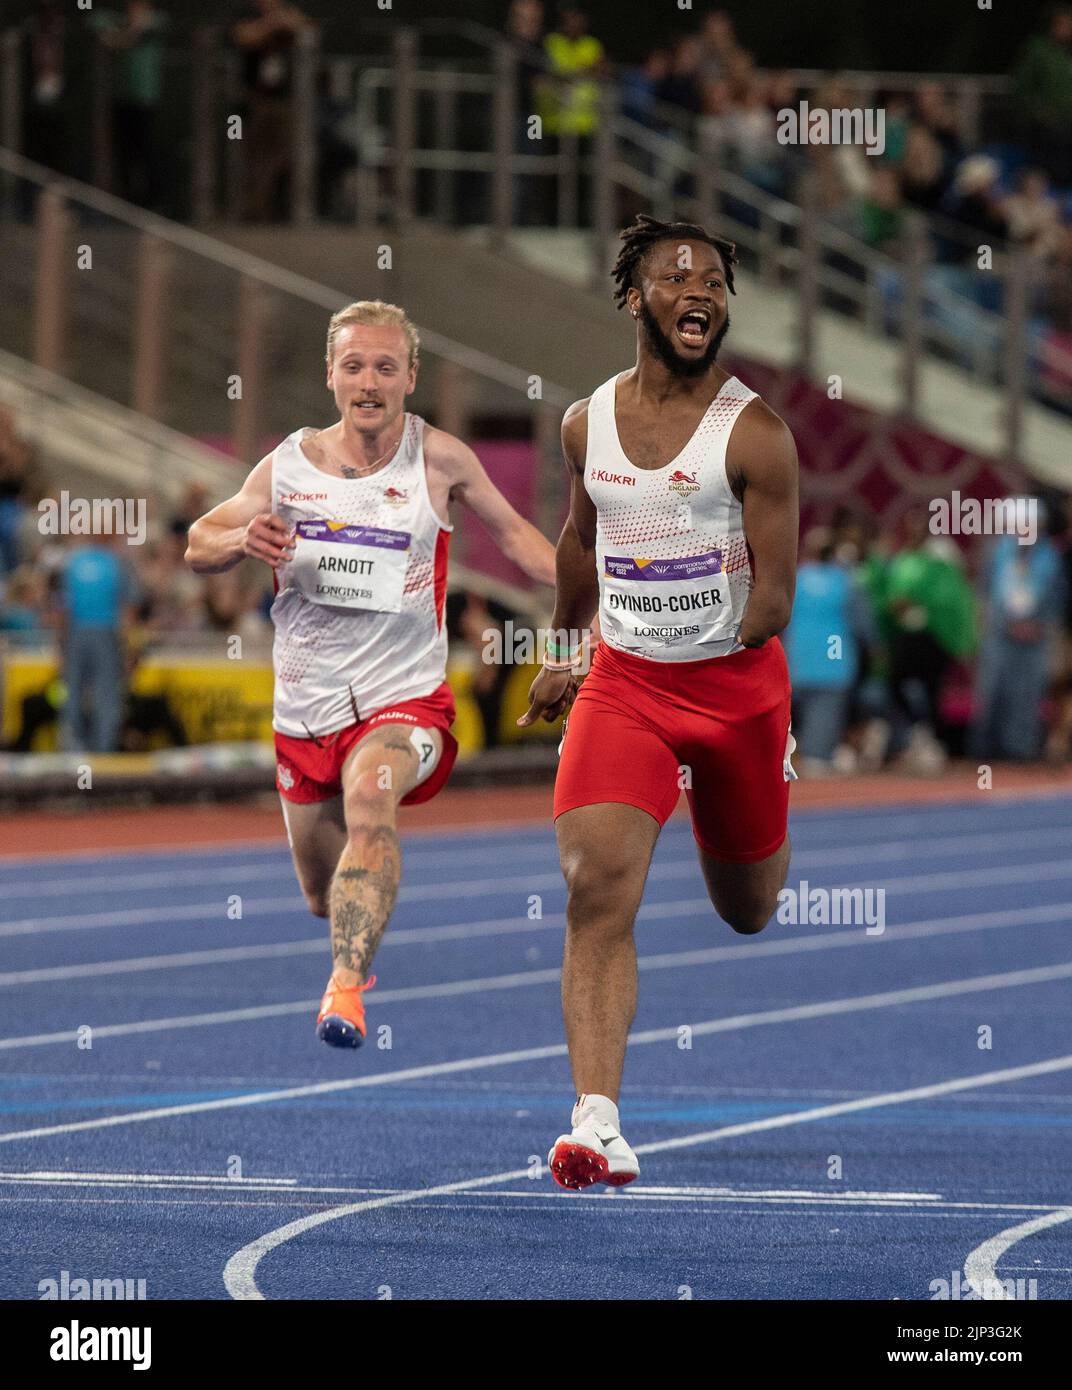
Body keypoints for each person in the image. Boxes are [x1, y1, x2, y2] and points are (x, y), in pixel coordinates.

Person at [185, 300, 556, 1048]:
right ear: (331, 376)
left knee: (370, 798)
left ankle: (346, 992)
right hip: (306, 716)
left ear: (410, 377)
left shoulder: (439, 459)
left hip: (405, 703)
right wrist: (240, 540)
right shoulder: (286, 464)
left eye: (386, 367)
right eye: (354, 366)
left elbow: (518, 540)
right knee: (325, 897)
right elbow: (199, 540)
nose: (369, 382)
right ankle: (348, 947)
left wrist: (604, 608)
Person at [520, 216, 799, 1189]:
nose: (701, 292)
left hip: (734, 695)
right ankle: (596, 1124)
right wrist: (567, 649)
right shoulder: (583, 422)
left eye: (716, 281)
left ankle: (765, 794)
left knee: (749, 909)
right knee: (595, 885)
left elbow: (773, 603)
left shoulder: (755, 434)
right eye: (677, 276)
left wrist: (689, 612)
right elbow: (573, 539)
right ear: (632, 295)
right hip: (626, 686)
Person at [231, 0, 315, 222]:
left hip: (283, 100)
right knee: (253, 156)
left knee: (285, 153)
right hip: (255, 98)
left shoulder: (288, 12)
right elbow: (243, 36)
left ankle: (278, 208)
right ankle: (254, 210)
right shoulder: (247, 15)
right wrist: (270, 25)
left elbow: (307, 30)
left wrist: (284, 21)